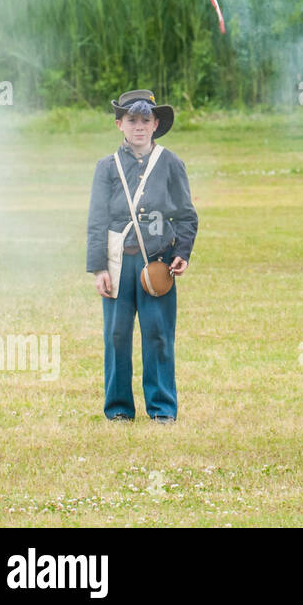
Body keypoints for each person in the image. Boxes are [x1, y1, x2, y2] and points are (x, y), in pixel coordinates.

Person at [86, 89, 198, 423]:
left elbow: (187, 216)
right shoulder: (106, 167)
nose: (139, 126)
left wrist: (182, 252)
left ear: (156, 124)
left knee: (159, 334)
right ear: (119, 123)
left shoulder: (171, 162)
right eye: (132, 120)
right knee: (117, 336)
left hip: (157, 263)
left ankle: (163, 409)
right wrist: (98, 269)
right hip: (119, 263)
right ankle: (118, 409)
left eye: (145, 120)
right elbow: (96, 219)